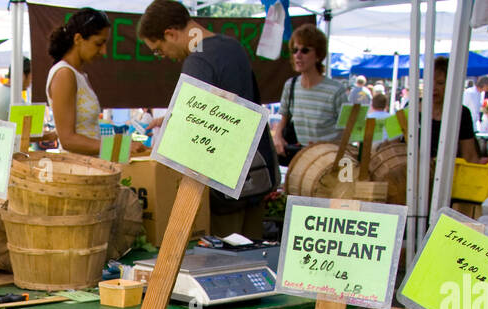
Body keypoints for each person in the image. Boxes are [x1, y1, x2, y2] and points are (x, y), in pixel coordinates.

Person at [138, 0, 278, 239]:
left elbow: (189, 131)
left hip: (223, 188)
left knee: (224, 261)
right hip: (256, 176)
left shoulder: (198, 60)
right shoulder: (232, 47)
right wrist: (169, 118)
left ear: (170, 34)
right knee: (251, 256)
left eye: (158, 50)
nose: (164, 56)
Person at [271, 23, 345, 160]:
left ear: (318, 55)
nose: (298, 55)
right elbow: (283, 119)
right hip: (299, 160)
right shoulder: (291, 85)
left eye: (305, 50)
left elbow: (346, 132)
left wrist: (324, 147)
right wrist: (278, 137)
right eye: (295, 50)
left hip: (329, 161)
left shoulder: (336, 90)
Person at [46, 8, 110, 155]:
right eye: (99, 43)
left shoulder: (79, 75)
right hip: (76, 171)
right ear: (78, 39)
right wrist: (117, 147)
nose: (103, 51)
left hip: (89, 168)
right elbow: (68, 140)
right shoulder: (64, 74)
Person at [428, 58, 482, 162]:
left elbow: (469, 155)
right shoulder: (410, 108)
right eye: (430, 82)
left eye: (440, 83)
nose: (434, 87)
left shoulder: (462, 114)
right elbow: (388, 137)